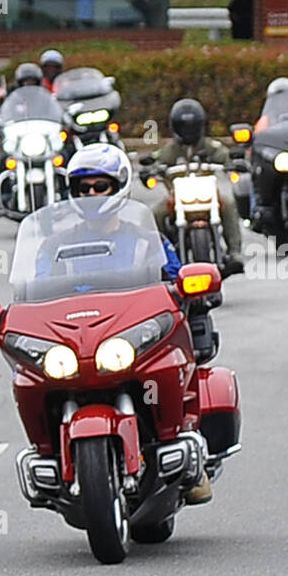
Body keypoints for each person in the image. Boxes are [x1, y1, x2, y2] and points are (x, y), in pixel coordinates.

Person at [64, 144, 213, 504]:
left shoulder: (147, 238)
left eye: (100, 186)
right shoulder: (57, 245)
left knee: (167, 371)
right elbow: (31, 288)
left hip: (132, 334)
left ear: (118, 188)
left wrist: (189, 289)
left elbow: (176, 278)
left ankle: (181, 442)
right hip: (80, 340)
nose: (92, 195)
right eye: (84, 189)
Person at [144, 98, 245, 275]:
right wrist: (149, 169)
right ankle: (161, 258)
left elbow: (225, 156)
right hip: (177, 197)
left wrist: (234, 163)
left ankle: (234, 252)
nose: (188, 130)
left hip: (208, 194)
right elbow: (156, 159)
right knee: (156, 214)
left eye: (192, 126)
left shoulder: (211, 146)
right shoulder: (170, 149)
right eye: (184, 126)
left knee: (228, 204)